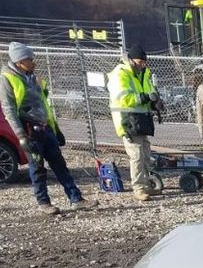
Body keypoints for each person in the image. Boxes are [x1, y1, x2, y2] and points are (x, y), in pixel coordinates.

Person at [0, 42, 96, 214]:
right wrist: (21, 135)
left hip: (45, 128)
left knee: (59, 164)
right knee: (37, 167)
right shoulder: (7, 78)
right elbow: (9, 110)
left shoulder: (32, 77)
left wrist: (55, 129)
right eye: (29, 58)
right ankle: (44, 202)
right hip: (29, 129)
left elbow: (44, 104)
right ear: (20, 61)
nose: (33, 61)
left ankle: (76, 198)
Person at [108, 45, 161, 202]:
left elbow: (149, 93)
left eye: (144, 63)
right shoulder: (120, 74)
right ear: (131, 60)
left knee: (145, 155)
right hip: (128, 120)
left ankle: (145, 185)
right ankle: (138, 188)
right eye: (140, 62)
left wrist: (154, 103)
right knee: (136, 156)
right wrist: (146, 97)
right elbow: (124, 98)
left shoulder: (143, 74)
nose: (142, 65)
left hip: (141, 119)